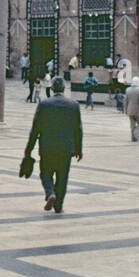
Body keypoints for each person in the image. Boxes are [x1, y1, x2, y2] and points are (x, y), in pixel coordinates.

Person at [23, 77, 83, 214]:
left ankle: (50, 193)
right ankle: (59, 205)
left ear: (52, 89)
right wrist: (79, 149)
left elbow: (35, 128)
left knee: (46, 172)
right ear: (63, 89)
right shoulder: (73, 105)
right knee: (63, 176)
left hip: (47, 147)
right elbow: (78, 129)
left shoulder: (44, 104)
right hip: (66, 148)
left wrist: (29, 149)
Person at [125, 76, 139, 142]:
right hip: (137, 110)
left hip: (129, 110)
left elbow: (125, 100)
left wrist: (125, 110)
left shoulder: (127, 89)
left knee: (132, 124)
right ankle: (136, 133)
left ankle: (133, 138)